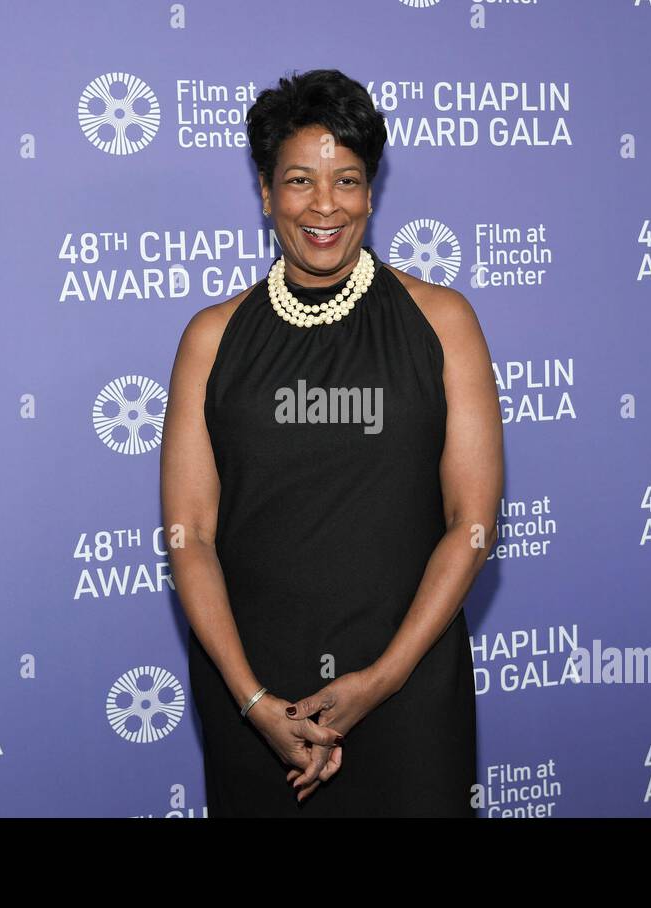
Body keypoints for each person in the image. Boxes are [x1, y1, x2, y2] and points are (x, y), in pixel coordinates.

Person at [160, 68, 503, 816]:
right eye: (299, 181)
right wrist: (254, 702)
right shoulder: (212, 339)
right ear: (264, 193)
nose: (325, 206)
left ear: (372, 193)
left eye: (346, 180)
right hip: (257, 701)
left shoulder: (442, 322)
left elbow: (470, 523)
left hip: (406, 685)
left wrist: (381, 679)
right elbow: (191, 536)